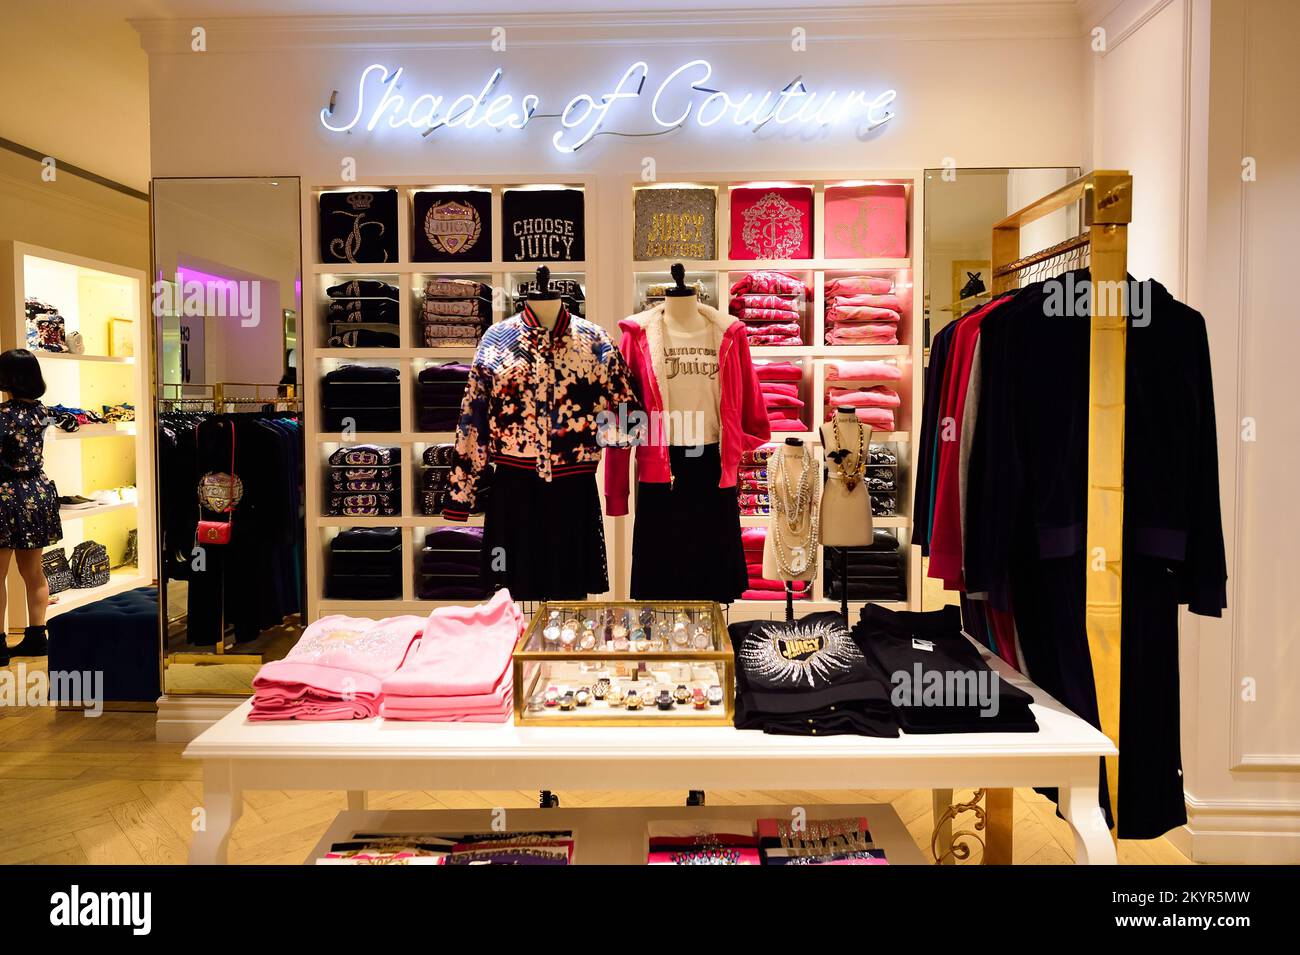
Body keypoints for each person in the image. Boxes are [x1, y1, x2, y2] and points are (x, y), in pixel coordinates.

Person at [0, 349, 62, 664]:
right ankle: (37, 636)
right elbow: (72, 423)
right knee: (33, 572)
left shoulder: (2, 414)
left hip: (5, 494)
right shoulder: (44, 412)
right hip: (37, 492)